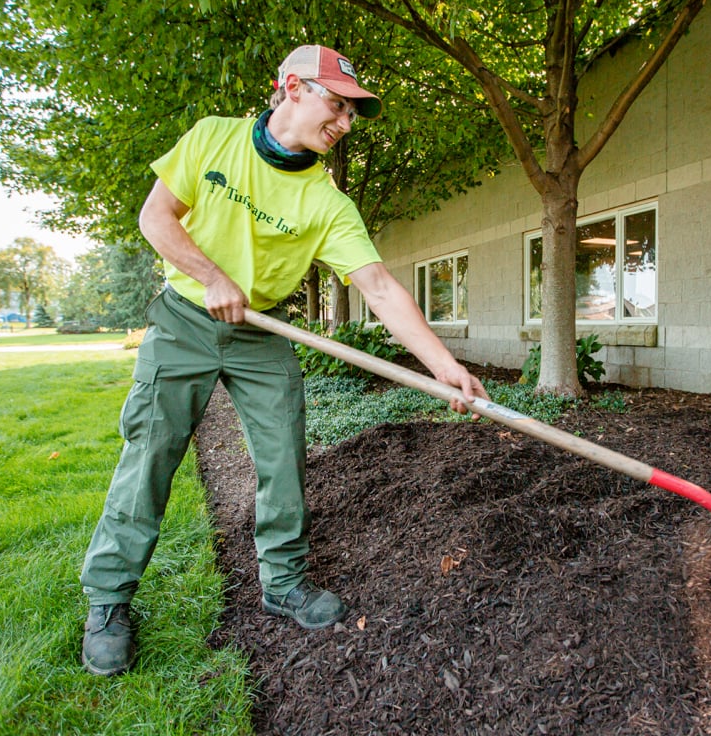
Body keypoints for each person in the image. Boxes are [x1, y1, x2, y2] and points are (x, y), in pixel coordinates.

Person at [79, 44, 489, 677]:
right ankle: (109, 600)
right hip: (185, 316)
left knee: (283, 455)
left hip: (261, 331)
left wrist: (442, 365)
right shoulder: (214, 140)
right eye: (338, 104)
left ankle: (284, 582)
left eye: (353, 112)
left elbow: (378, 286)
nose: (346, 122)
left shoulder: (328, 204)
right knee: (151, 452)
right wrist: (211, 276)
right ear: (292, 88)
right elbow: (156, 216)